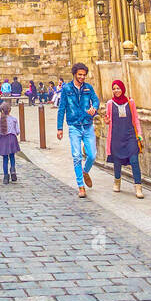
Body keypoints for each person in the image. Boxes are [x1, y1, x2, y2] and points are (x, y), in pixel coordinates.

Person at [57, 62, 100, 199]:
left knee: (92, 155)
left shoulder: (88, 88)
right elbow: (61, 108)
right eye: (80, 75)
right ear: (75, 74)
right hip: (74, 126)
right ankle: (81, 186)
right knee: (77, 156)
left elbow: (96, 101)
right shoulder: (66, 88)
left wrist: (95, 108)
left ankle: (85, 171)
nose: (82, 77)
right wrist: (59, 128)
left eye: (84, 75)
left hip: (87, 125)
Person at [105, 79, 144, 198]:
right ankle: (117, 180)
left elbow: (135, 118)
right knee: (117, 162)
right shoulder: (110, 103)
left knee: (134, 160)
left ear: (123, 89)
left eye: (118, 88)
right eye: (114, 88)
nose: (116, 90)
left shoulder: (130, 102)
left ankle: (138, 187)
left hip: (130, 136)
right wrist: (106, 120)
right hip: (116, 136)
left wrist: (139, 134)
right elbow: (108, 119)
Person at [0, 100, 20, 183]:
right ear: (10, 110)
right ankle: (13, 169)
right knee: (12, 156)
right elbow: (17, 131)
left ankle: (6, 177)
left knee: (5, 158)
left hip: (3, 139)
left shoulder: (0, 119)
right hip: (12, 138)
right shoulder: (14, 119)